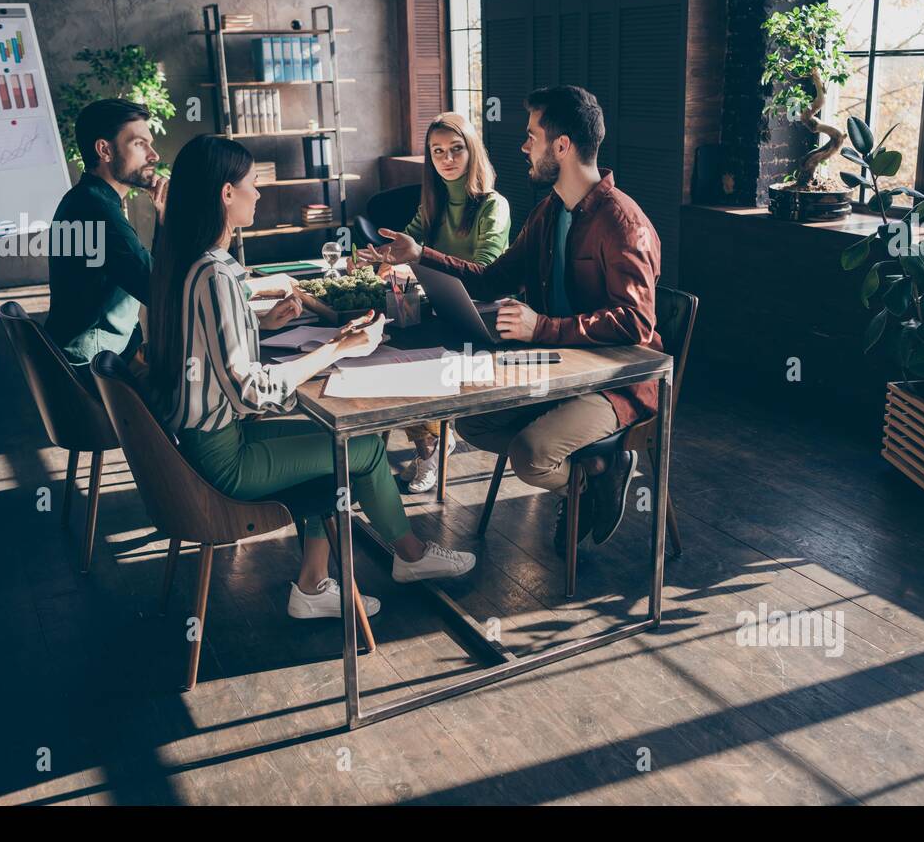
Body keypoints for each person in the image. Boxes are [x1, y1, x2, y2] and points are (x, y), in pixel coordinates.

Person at [147, 135, 476, 622]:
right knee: (361, 446)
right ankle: (409, 557)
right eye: (252, 185)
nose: (258, 194)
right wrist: (335, 348)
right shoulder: (216, 274)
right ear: (225, 194)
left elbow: (203, 338)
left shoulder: (190, 263)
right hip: (222, 461)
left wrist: (258, 324)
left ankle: (316, 583)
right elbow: (250, 390)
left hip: (200, 444)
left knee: (333, 435)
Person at [359, 86, 662, 556]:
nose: (523, 146)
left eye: (531, 136)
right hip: (556, 367)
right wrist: (422, 255)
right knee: (471, 425)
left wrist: (540, 327)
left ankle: (600, 471)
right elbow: (491, 278)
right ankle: (590, 473)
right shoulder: (549, 212)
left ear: (561, 146)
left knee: (531, 455)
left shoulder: (623, 222)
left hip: (616, 382)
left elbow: (636, 324)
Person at [389, 112, 510, 493]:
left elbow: (485, 271)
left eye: (456, 149)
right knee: (391, 348)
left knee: (411, 356)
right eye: (437, 151)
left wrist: (418, 255)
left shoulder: (494, 205)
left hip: (486, 321)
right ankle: (429, 441)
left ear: (472, 151)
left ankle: (431, 447)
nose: (447, 159)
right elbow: (404, 247)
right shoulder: (433, 203)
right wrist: (378, 259)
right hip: (446, 311)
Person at [45, 99, 167, 387]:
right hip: (99, 372)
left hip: (101, 360)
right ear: (105, 150)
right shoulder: (96, 211)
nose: (154, 155)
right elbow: (160, 290)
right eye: (140, 144)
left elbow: (151, 278)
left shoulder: (86, 200)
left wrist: (162, 218)